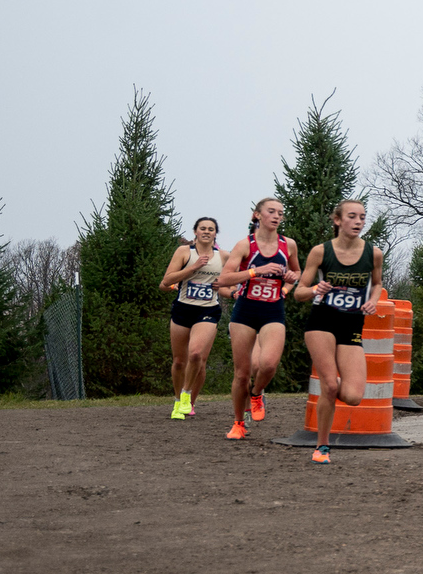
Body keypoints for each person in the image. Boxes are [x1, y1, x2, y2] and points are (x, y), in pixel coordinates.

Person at [293, 199, 385, 466]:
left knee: (354, 396)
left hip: (352, 323)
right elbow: (299, 292)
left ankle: (329, 399)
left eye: (362, 217)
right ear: (337, 220)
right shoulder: (321, 252)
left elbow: (377, 283)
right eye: (352, 216)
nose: (358, 222)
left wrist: (373, 300)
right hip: (322, 321)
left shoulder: (373, 253)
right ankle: (322, 445)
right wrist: (314, 290)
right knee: (330, 384)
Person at [218, 198, 298, 440]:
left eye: (280, 213)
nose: (276, 216)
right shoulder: (245, 246)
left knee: (269, 364)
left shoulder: (288, 245)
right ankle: (239, 423)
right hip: (245, 311)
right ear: (257, 215)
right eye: (271, 211)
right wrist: (256, 271)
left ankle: (256, 394)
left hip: (273, 310)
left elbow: (297, 274)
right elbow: (223, 279)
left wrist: (288, 284)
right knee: (242, 373)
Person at [159, 217, 226, 420]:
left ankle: (188, 397)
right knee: (179, 361)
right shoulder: (184, 252)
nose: (206, 231)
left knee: (197, 356)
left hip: (208, 310)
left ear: (215, 234)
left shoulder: (223, 256)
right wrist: (193, 268)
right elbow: (166, 281)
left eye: (211, 229)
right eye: (202, 228)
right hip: (183, 309)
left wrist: (222, 286)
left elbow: (231, 283)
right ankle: (178, 401)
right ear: (195, 232)